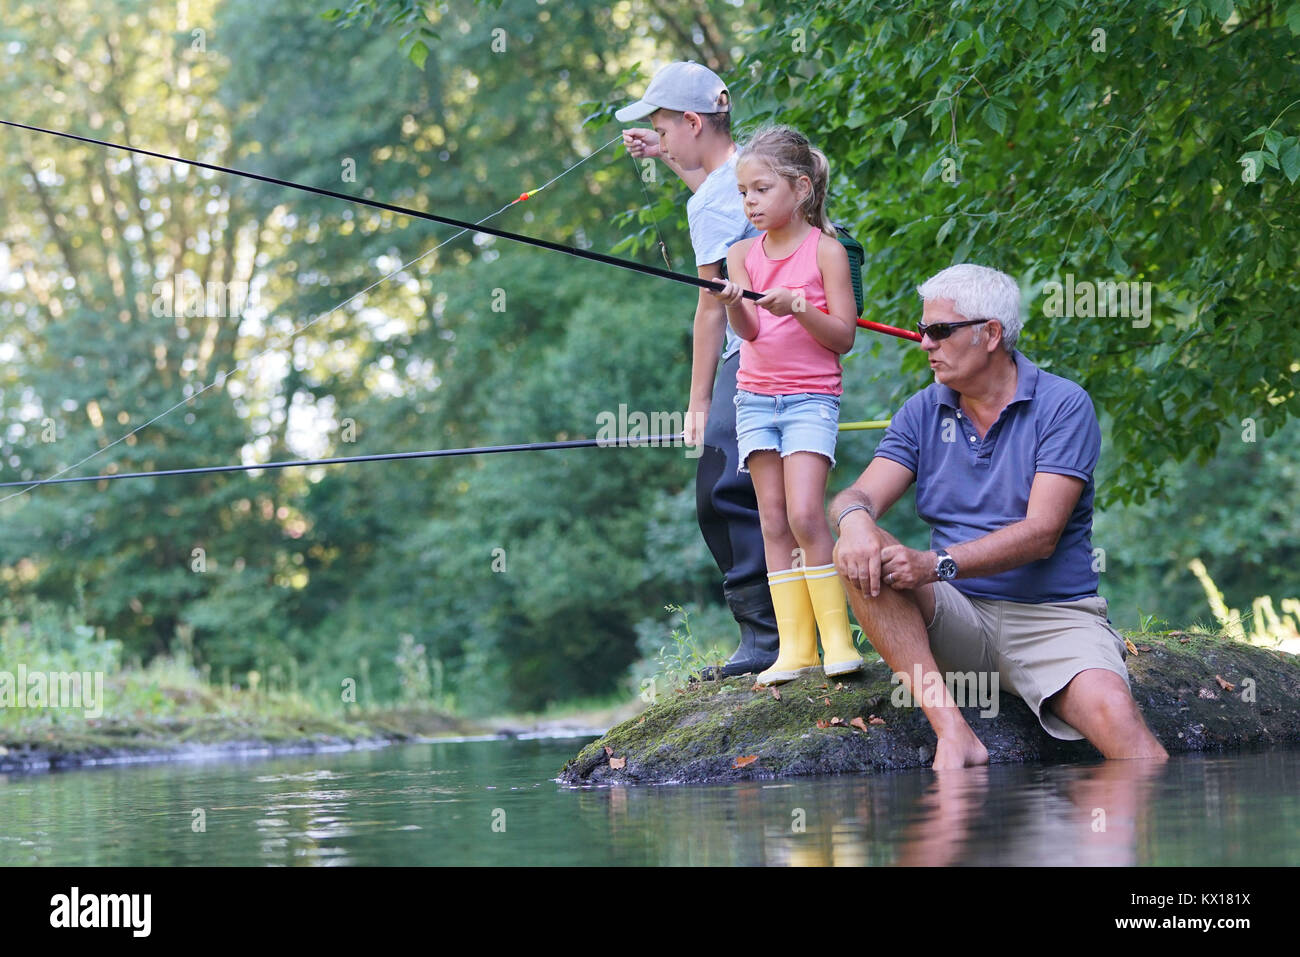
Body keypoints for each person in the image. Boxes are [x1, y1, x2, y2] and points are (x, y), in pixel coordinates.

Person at [827, 263, 1169, 768]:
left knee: (1139, 757)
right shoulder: (921, 411)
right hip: (956, 616)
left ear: (990, 334)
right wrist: (855, 522)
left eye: (940, 331)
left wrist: (933, 564)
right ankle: (956, 734)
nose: (924, 343)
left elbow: (1041, 535)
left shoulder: (1063, 405)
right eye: (923, 330)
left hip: (1055, 622)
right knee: (857, 546)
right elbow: (856, 495)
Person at [616, 62, 779, 677]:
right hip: (785, 352)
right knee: (756, 493)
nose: (655, 133)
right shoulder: (749, 173)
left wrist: (698, 403)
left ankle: (765, 639)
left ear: (691, 121)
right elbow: (714, 198)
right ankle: (785, 634)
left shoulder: (715, 198)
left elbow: (710, 308)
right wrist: (668, 156)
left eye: (662, 124)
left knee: (722, 492)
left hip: (748, 358)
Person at [709, 126, 863, 686]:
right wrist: (732, 303)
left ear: (800, 189)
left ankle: (838, 642)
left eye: (760, 189)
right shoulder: (740, 254)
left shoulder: (828, 251)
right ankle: (795, 651)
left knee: (804, 514)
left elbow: (842, 337)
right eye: (743, 192)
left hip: (810, 398)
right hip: (755, 398)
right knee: (772, 520)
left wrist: (798, 306)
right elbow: (748, 329)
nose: (749, 202)